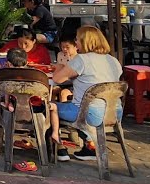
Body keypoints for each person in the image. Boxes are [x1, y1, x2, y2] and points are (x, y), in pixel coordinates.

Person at [52, 26, 124, 162]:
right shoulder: (113, 61)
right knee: (74, 104)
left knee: (49, 107)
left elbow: (57, 79)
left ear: (85, 41)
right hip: (114, 113)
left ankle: (59, 149)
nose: (76, 42)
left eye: (77, 39)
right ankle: (89, 147)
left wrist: (60, 65)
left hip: (89, 113)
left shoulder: (82, 60)